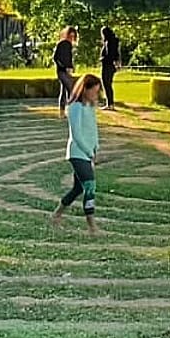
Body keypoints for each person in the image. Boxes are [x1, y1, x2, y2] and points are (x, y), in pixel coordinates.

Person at [52, 73, 102, 233]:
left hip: (88, 153)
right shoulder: (75, 107)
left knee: (77, 189)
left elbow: (93, 129)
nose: (96, 94)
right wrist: (88, 151)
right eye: (94, 91)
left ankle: (56, 214)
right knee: (90, 186)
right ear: (84, 90)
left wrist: (96, 147)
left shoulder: (89, 107)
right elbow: (76, 134)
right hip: (78, 153)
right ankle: (91, 226)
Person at [52, 26, 78, 119]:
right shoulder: (64, 44)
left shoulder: (67, 44)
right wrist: (65, 67)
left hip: (64, 70)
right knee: (71, 90)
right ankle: (71, 110)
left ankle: (62, 112)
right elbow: (58, 58)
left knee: (64, 91)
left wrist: (71, 67)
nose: (71, 38)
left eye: (73, 36)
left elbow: (68, 59)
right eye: (70, 36)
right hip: (62, 71)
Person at [99, 26, 121, 110]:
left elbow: (110, 55)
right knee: (108, 84)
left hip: (107, 65)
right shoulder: (114, 42)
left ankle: (110, 104)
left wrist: (102, 58)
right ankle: (110, 103)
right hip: (111, 65)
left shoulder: (109, 42)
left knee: (106, 83)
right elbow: (116, 54)